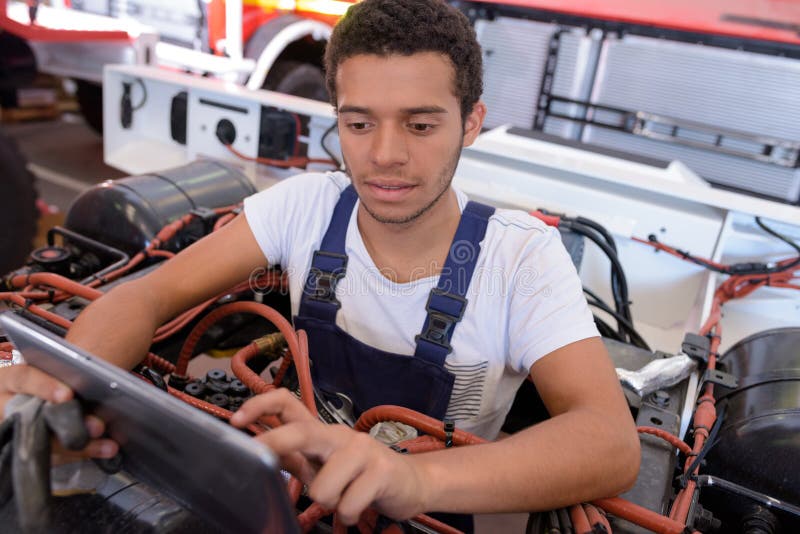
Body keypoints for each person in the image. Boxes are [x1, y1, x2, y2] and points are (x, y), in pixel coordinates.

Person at [0, 0, 639, 527]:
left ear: (471, 123)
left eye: (420, 126)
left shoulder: (520, 257)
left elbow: (608, 441)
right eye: (359, 124)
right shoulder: (307, 205)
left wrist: (412, 478)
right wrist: (59, 387)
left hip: (435, 511)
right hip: (296, 487)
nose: (385, 155)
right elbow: (148, 296)